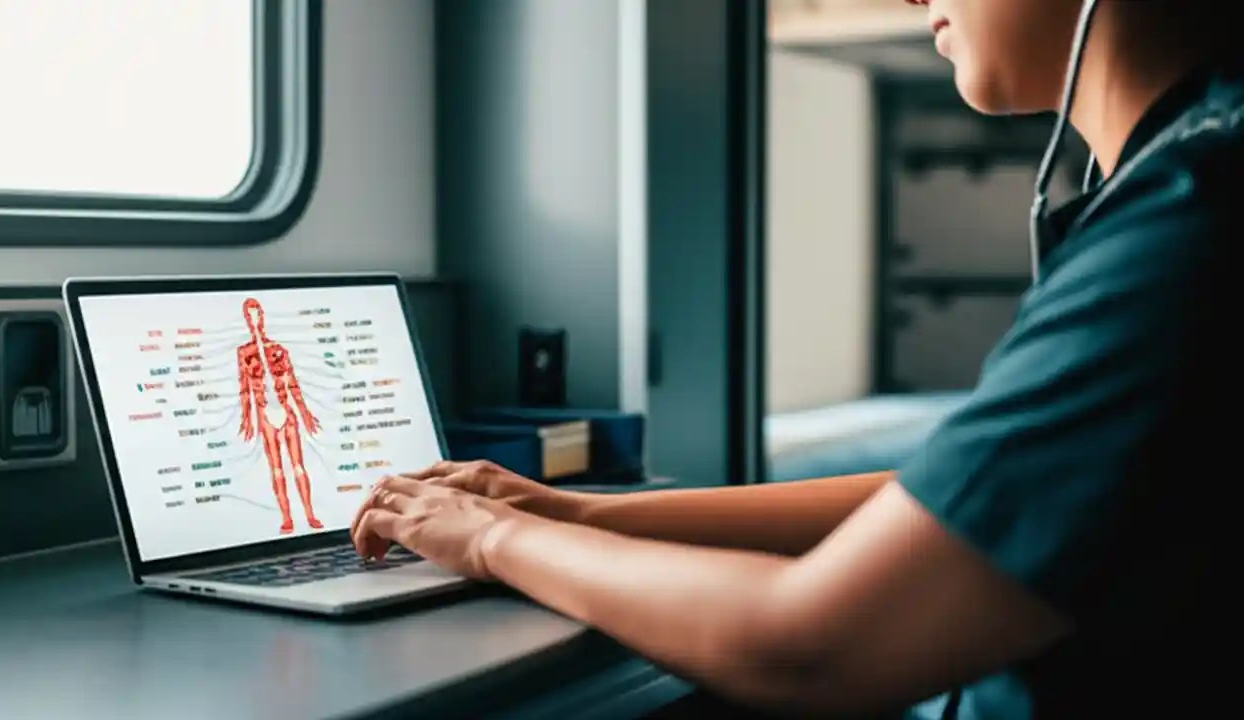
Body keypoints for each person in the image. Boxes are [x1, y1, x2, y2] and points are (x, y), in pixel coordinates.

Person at [351, 1, 1237, 716]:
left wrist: (496, 540)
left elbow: (812, 645)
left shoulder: (1186, 226)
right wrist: (578, 514)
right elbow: (957, 503)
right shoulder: (1181, 179)